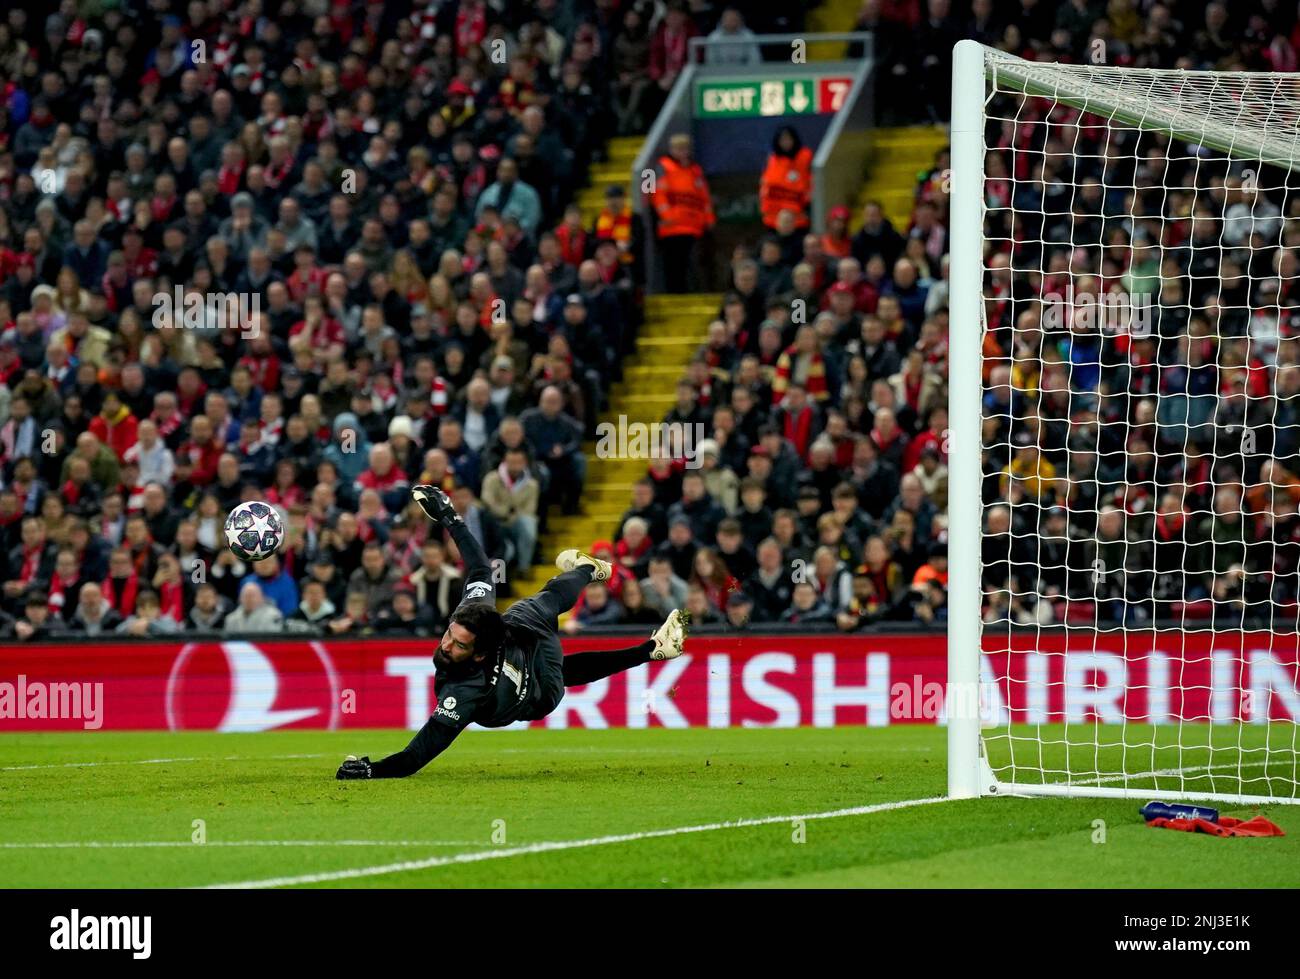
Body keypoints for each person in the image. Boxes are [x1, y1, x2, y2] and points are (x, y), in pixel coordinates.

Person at [336, 486, 688, 779]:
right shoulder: (468, 649)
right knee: (548, 638)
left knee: (539, 612)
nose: (447, 644)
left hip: (528, 667)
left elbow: (416, 756)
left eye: (458, 644)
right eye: (449, 636)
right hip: (536, 688)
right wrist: (449, 516)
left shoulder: (471, 671)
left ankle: (607, 592)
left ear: (479, 652)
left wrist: (371, 771)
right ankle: (631, 625)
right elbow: (479, 568)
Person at [651, 133, 715, 293]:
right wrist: (668, 217)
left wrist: (709, 219)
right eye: (678, 149)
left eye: (685, 148)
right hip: (671, 227)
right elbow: (656, 194)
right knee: (674, 263)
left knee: (691, 264)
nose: (682, 152)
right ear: (671, 149)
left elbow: (704, 197)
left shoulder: (695, 170)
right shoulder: (662, 167)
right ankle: (675, 293)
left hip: (693, 226)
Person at [759, 126, 813, 232]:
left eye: (788, 139)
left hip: (799, 221)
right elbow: (765, 188)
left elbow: (811, 187)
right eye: (782, 140)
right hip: (773, 221)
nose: (786, 142)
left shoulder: (805, 157)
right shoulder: (772, 160)